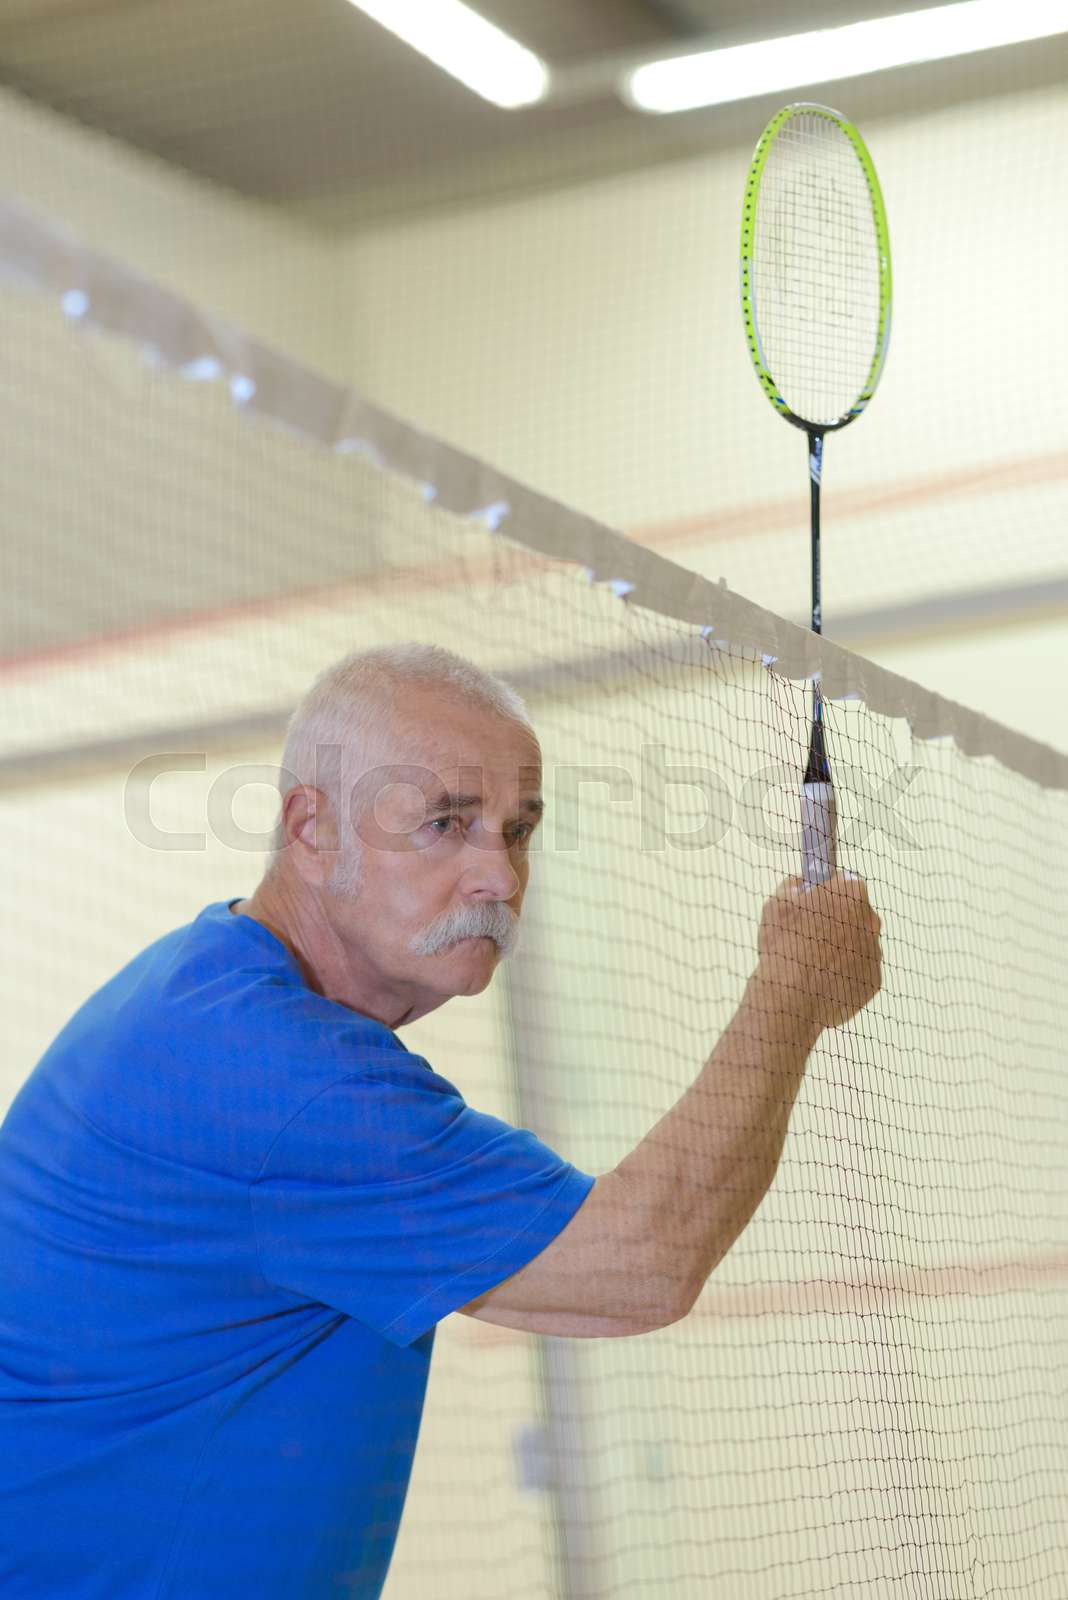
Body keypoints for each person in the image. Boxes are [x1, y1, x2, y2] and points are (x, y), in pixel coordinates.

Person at [0, 643, 881, 1599]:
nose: (498, 878)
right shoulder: (282, 1078)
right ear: (309, 827)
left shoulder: (211, 994)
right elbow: (640, 1261)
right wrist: (788, 993)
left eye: (517, 831)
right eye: (446, 823)